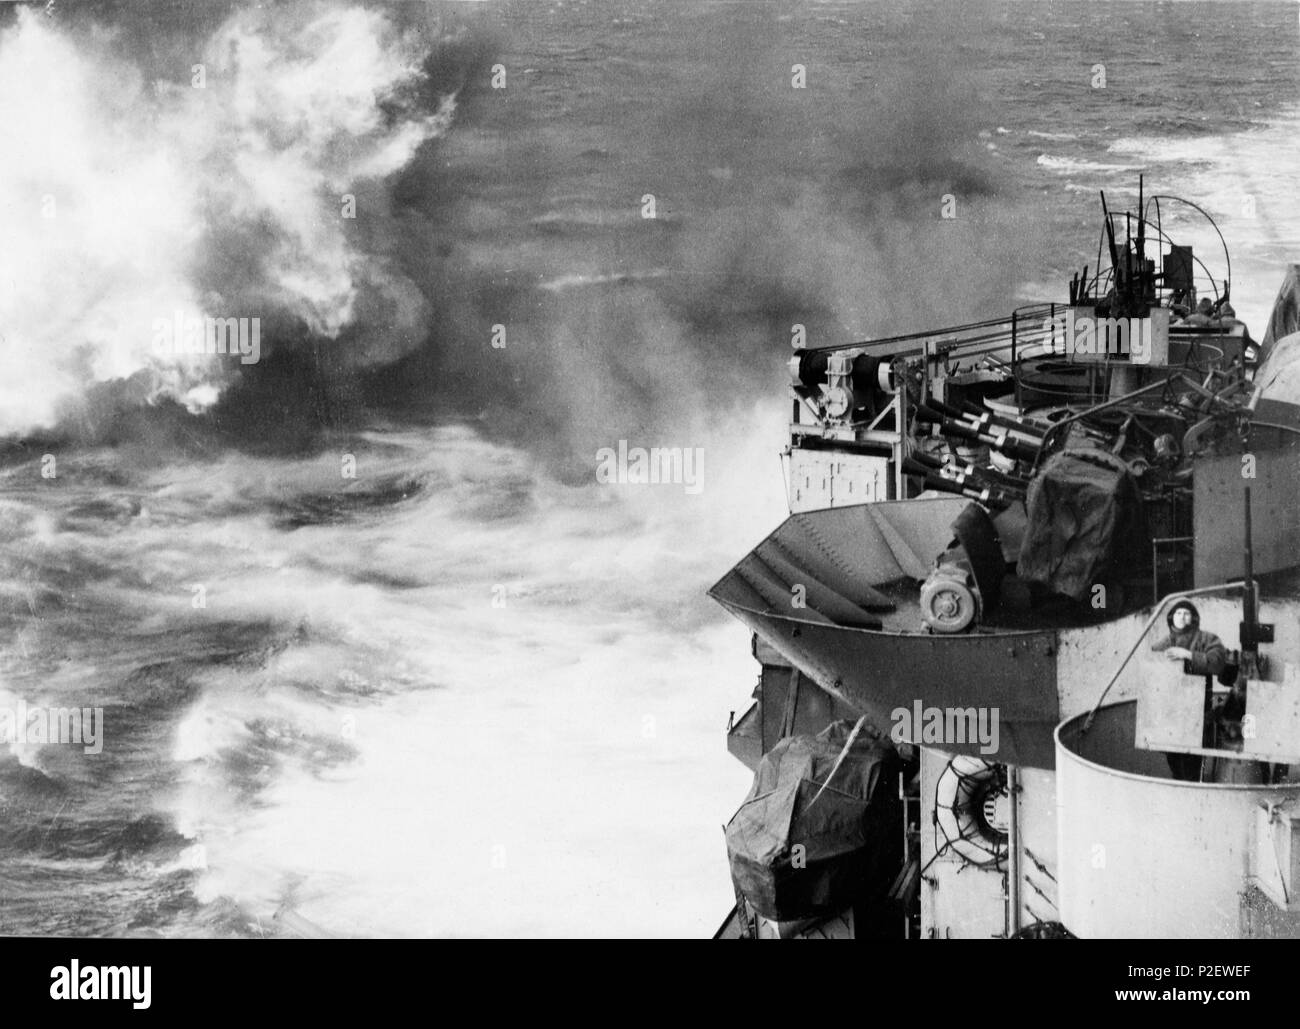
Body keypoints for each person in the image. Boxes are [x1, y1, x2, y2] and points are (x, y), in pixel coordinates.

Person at [1150, 600, 1227, 781]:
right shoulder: (1162, 644)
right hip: (1170, 713)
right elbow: (1152, 673)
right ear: (1171, 618)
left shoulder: (1207, 639)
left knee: (1192, 762)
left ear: (1193, 618)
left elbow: (1218, 663)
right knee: (1175, 761)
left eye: (1186, 613)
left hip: (1197, 712)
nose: (1182, 617)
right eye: (1178, 613)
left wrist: (1189, 655)